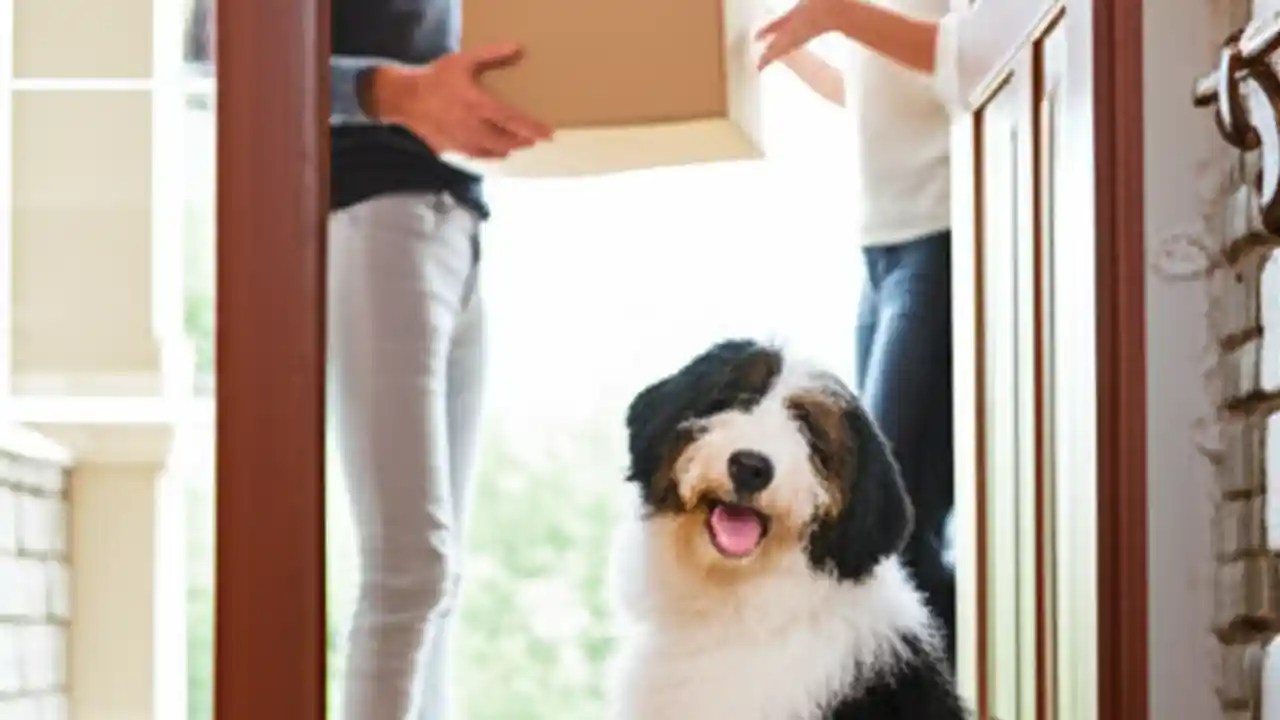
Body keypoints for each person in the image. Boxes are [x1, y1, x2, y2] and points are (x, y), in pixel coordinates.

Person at [328, 2, 553, 718]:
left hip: (456, 220)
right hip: (372, 211)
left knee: (437, 579)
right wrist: (396, 94)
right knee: (410, 574)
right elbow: (215, 52)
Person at [756, 0, 972, 667]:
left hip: (939, 242)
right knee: (898, 512)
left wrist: (837, 15)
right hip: (882, 257)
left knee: (893, 512)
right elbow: (872, 89)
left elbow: (963, 58)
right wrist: (788, 51)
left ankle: (953, 686)